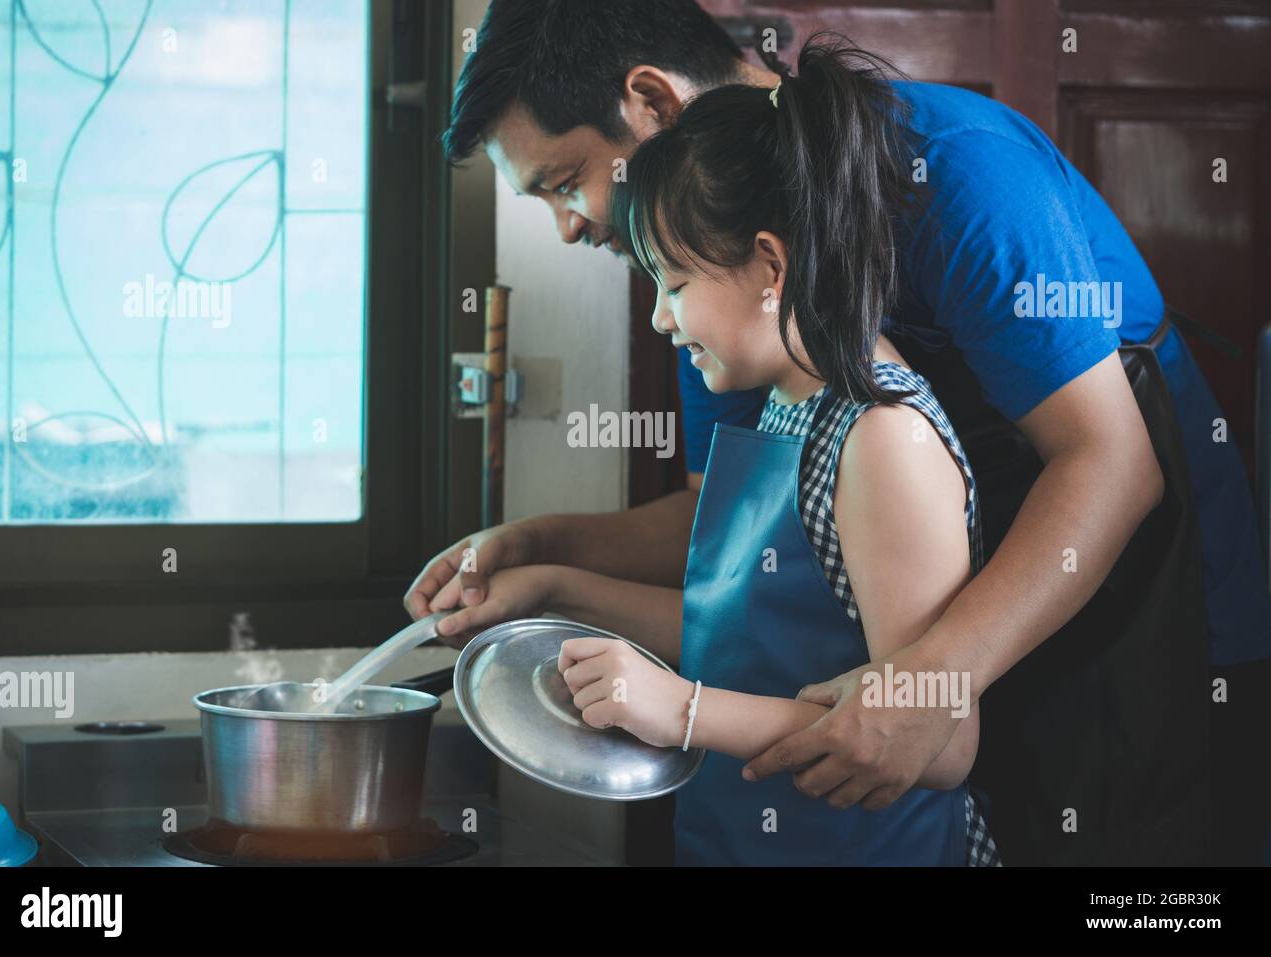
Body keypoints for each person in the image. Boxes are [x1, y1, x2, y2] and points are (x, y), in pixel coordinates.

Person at [413, 0, 1270, 864]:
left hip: (1136, 602)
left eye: (565, 182)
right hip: (938, 644)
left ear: (653, 103)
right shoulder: (717, 290)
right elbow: (730, 532)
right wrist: (537, 551)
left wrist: (931, 681)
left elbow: (1112, 465)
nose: (566, 226)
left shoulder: (959, 174)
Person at [473, 39, 997, 863]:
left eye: (674, 285)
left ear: (770, 267)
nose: (660, 320)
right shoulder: (783, 402)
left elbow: (941, 741)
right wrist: (548, 587)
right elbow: (735, 636)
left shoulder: (883, 437)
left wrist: (683, 711)